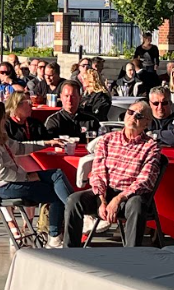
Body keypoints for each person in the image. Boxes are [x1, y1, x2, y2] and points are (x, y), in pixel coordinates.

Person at [0, 100, 73, 248]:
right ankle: (69, 219)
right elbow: (1, 173)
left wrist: (47, 143)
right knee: (56, 191)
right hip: (4, 187)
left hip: (13, 181)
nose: (5, 119)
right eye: (3, 116)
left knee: (57, 175)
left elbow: (19, 148)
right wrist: (26, 177)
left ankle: (69, 218)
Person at [63, 102, 161, 247]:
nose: (132, 117)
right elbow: (98, 172)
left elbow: (145, 180)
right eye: (130, 112)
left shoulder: (151, 146)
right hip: (106, 192)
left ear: (147, 123)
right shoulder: (108, 139)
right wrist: (102, 200)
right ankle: (69, 253)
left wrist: (118, 199)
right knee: (74, 200)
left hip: (129, 196)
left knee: (137, 204)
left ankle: (131, 258)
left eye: (139, 115)